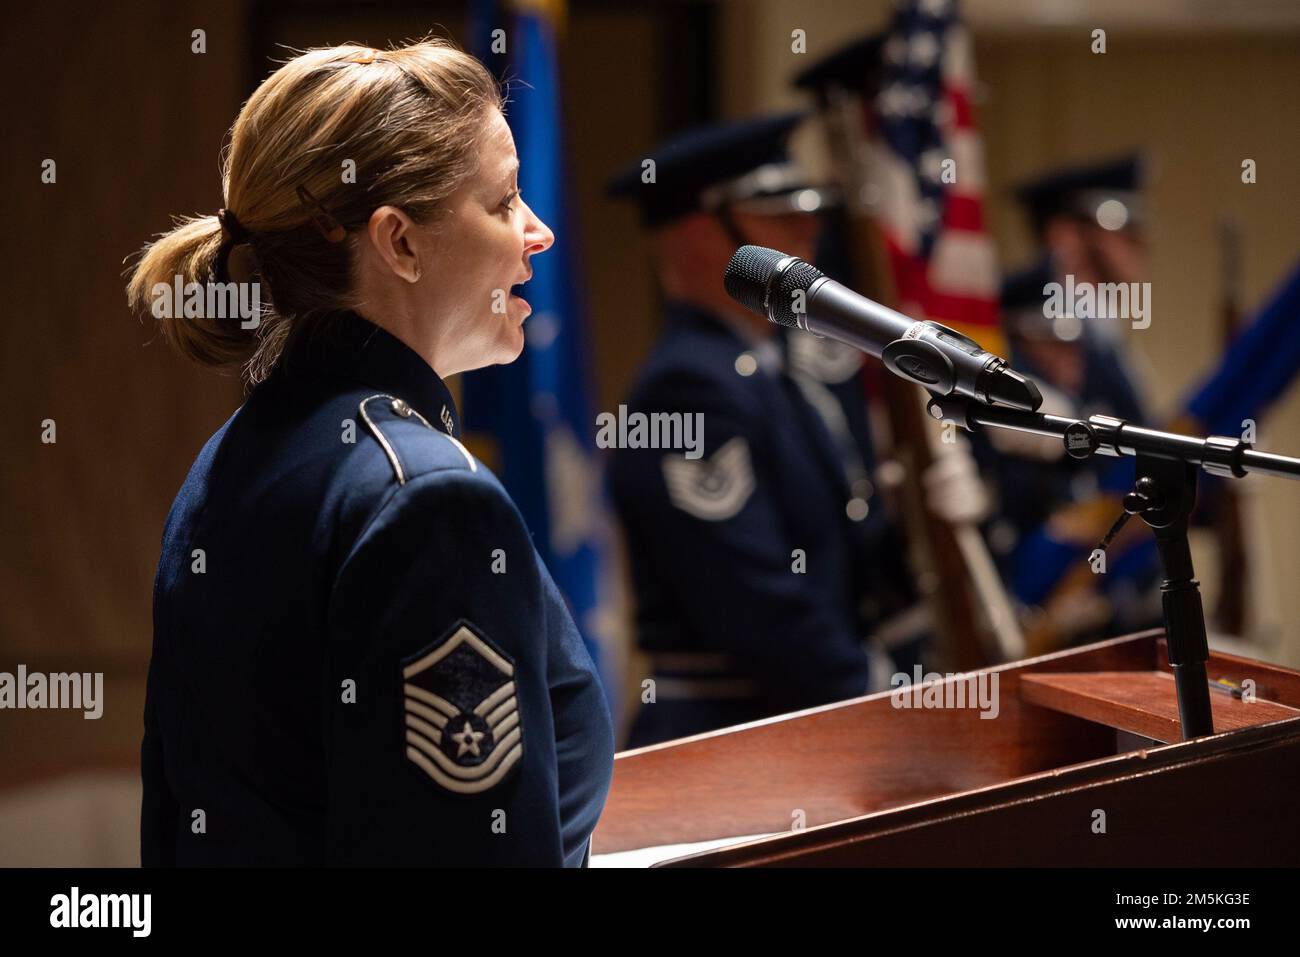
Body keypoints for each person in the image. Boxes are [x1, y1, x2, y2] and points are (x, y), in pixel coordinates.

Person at [125, 40, 613, 866]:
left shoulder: (224, 466)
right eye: (503, 201)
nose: (540, 232)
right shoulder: (425, 501)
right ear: (401, 243)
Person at [605, 113, 925, 747]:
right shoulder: (688, 388)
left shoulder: (772, 368)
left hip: (789, 721)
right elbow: (750, 603)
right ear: (702, 234)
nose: (808, 231)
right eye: (777, 217)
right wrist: (872, 691)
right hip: (729, 737)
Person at [978, 155, 1160, 648]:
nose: (1140, 242)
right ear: (1065, 234)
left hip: (1113, 597)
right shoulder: (1025, 357)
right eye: (1121, 226)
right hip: (1045, 602)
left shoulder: (1106, 343)